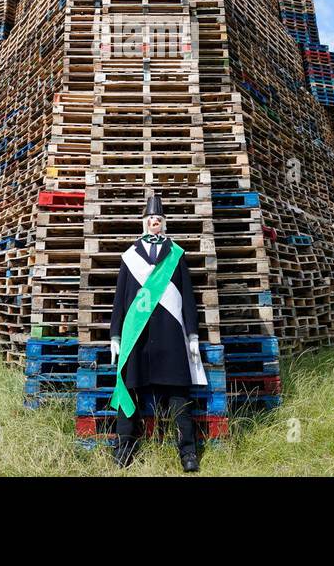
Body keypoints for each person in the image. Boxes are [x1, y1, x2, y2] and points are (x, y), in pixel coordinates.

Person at [109, 193, 206, 472]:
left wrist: (192, 336)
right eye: (151, 217)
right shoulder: (130, 256)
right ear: (144, 222)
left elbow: (188, 297)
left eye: (159, 218)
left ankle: (188, 452)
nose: (155, 221)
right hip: (136, 335)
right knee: (129, 390)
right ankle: (124, 449)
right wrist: (115, 335)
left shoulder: (176, 254)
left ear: (164, 223)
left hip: (170, 333)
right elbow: (120, 298)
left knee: (178, 395)